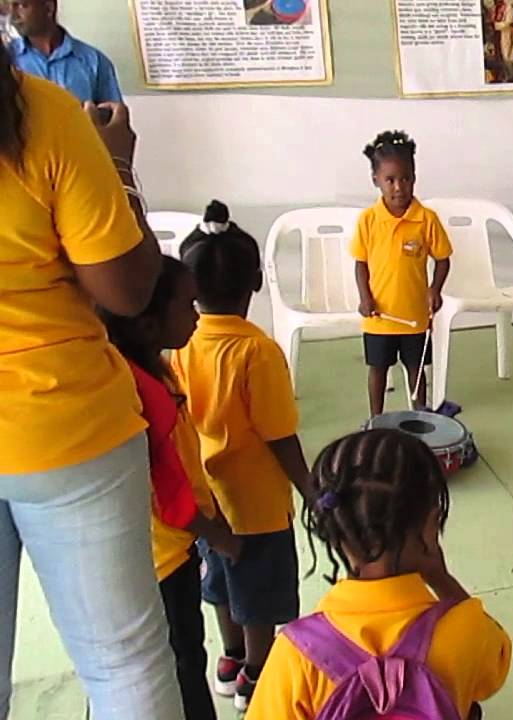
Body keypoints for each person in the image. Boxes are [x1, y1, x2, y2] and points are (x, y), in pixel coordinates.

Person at [0, 47, 184, 718]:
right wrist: (118, 164)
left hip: (63, 438)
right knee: (124, 664)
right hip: (66, 430)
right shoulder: (43, 115)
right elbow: (128, 288)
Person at [247, 429, 512, 720]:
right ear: (431, 524)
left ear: (333, 529)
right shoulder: (466, 630)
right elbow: (496, 666)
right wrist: (441, 577)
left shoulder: (296, 652)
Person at [172, 201, 313, 712]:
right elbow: (279, 435)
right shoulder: (258, 351)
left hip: (208, 501)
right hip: (256, 506)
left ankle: (229, 661)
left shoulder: (181, 343)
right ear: (255, 282)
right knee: (261, 597)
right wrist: (312, 490)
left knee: (221, 584)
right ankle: (259, 673)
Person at [99, 257, 247, 720]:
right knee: (182, 661)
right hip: (162, 561)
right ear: (147, 324)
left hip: (164, 553)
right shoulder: (143, 390)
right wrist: (217, 532)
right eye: (187, 306)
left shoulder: (150, 371)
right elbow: (169, 494)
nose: (197, 316)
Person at [352, 130, 453, 418]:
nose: (399, 187)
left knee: (417, 370)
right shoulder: (368, 220)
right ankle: (376, 420)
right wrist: (364, 298)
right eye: (390, 180)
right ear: (376, 181)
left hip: (415, 316)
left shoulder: (427, 219)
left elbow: (443, 259)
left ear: (415, 177)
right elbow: (360, 263)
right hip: (379, 319)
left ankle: (419, 418)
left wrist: (435, 289)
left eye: (406, 178)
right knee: (378, 370)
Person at [6, 0, 123, 104]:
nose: (12, 17)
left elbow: (115, 121)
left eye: (21, 5)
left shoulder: (95, 62)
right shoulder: (6, 59)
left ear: (48, 8)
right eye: (9, 6)